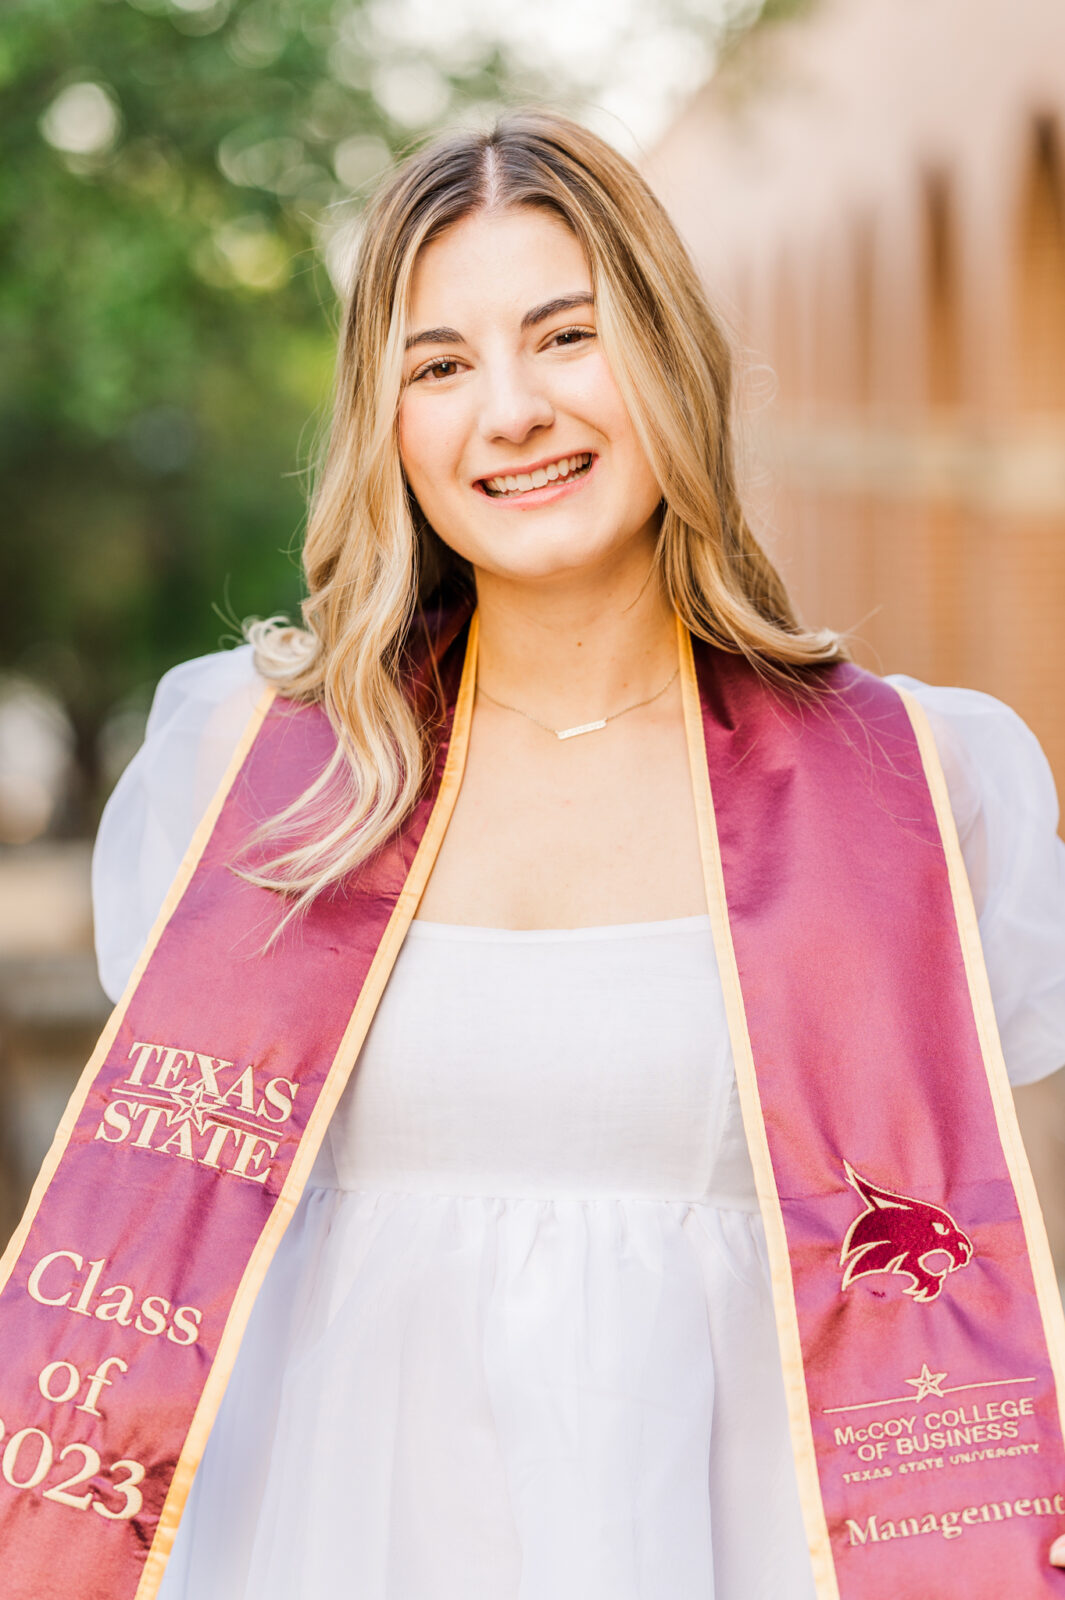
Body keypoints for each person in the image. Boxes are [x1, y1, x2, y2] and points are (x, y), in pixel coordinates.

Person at [89, 108, 1065, 1599]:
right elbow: (151, 1267)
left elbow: (1017, 1290)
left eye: (565, 336)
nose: (510, 412)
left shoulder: (923, 781)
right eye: (439, 364)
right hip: (338, 1544)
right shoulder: (251, 769)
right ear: (387, 421)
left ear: (667, 356)